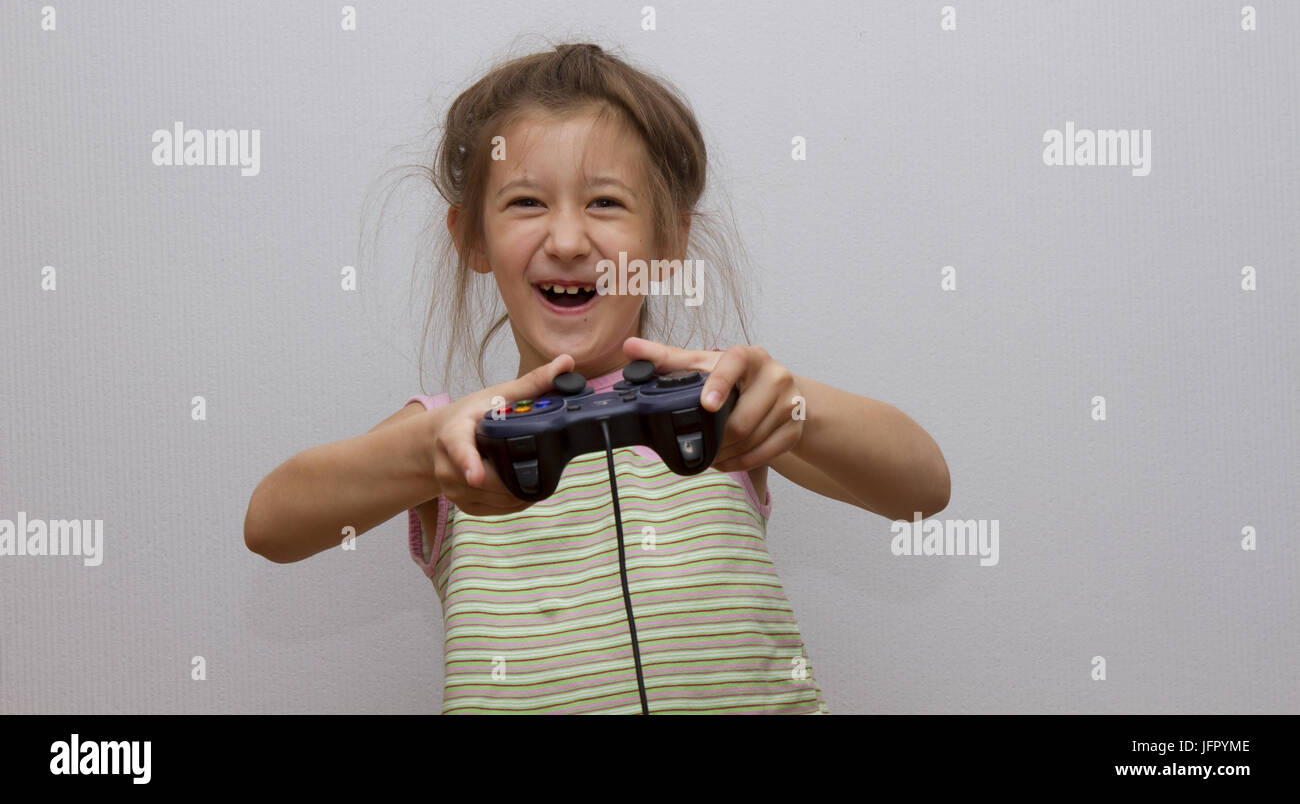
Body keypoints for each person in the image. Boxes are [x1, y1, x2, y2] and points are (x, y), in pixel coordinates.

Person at [244, 41, 950, 713]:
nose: (570, 240)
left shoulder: (720, 405)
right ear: (473, 240)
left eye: (605, 202)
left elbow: (922, 490)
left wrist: (797, 410)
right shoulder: (455, 434)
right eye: (526, 202)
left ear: (668, 241)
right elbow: (273, 523)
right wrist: (423, 449)